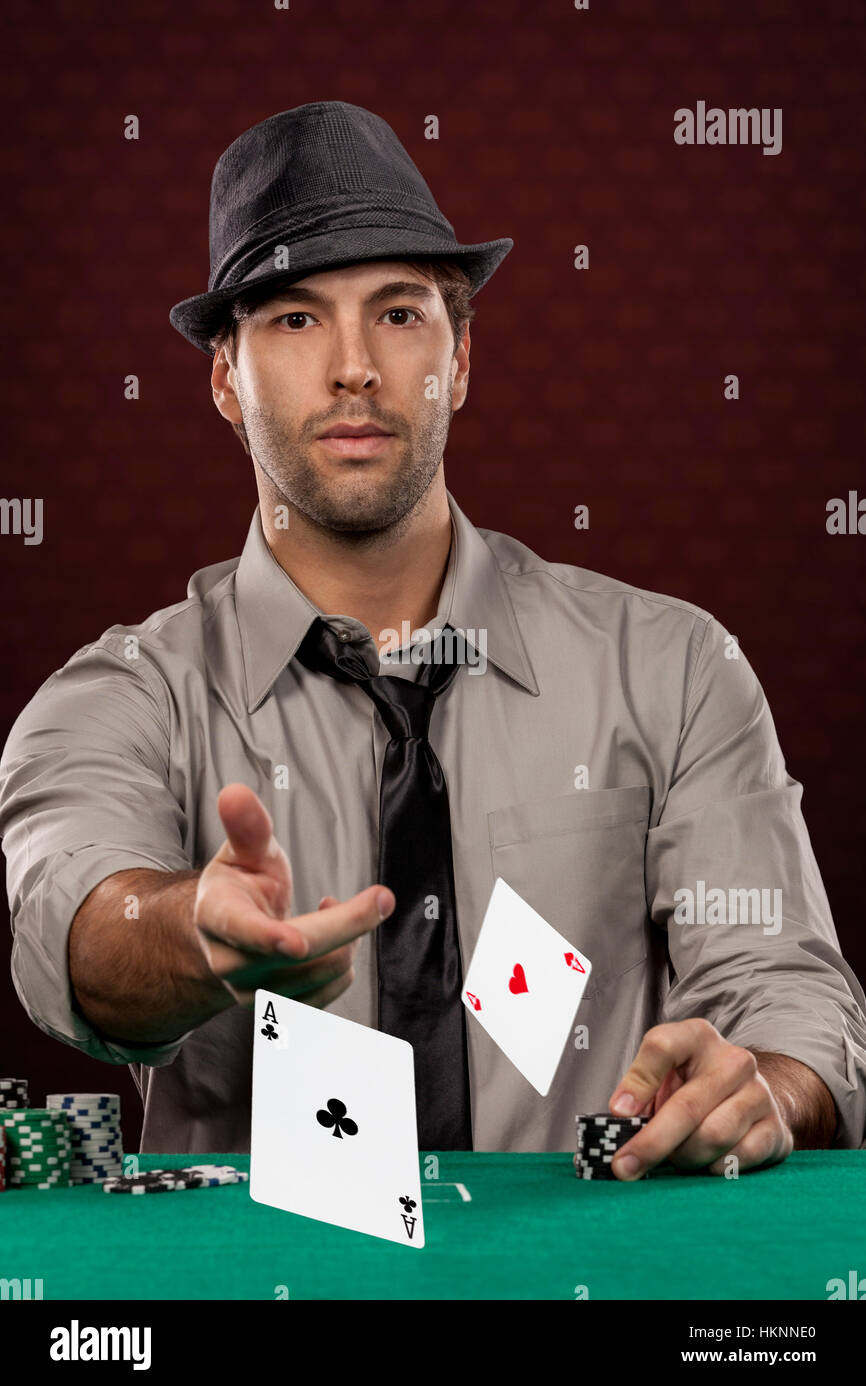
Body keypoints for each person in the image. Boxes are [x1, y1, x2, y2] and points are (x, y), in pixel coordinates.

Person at [1, 102, 864, 1174]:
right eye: (295, 319)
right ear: (226, 379)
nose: (354, 366)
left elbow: (785, 993)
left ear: (457, 362)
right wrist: (194, 934)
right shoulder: (117, 697)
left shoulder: (674, 667)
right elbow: (74, 938)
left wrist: (767, 1093)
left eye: (399, 314)